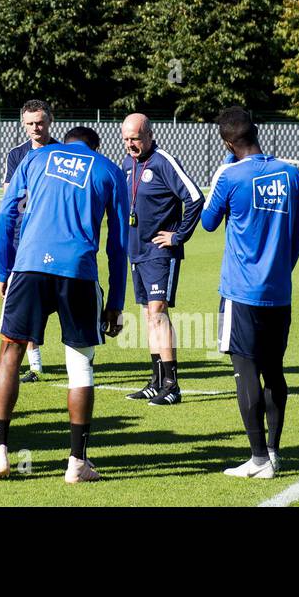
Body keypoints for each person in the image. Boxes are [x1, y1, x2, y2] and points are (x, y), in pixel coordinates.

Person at [0, 127, 127, 484]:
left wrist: (5, 269)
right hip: (77, 270)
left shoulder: (35, 157)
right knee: (80, 365)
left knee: (9, 353)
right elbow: (119, 242)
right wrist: (116, 302)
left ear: (64, 141)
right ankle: (77, 462)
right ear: (95, 147)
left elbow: (6, 218)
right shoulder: (108, 169)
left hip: (28, 266)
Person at [201, 108, 299, 477]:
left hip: (241, 291)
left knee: (244, 370)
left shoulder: (230, 175)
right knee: (274, 370)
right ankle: (273, 452)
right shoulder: (292, 174)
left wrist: (224, 168)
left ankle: (259, 459)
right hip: (279, 289)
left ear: (227, 142)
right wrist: (280, 270)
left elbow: (208, 222)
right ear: (257, 131)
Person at [119, 113, 203, 405]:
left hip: (159, 251)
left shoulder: (164, 161)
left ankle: (172, 384)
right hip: (136, 250)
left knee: (158, 311)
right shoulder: (127, 164)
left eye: (136, 139)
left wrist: (178, 236)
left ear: (150, 135)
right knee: (147, 314)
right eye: (126, 139)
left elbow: (194, 198)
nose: (131, 144)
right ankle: (156, 381)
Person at [3, 99, 56, 382]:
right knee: (27, 301)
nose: (36, 128)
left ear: (50, 121)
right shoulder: (17, 155)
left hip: (52, 236)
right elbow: (11, 198)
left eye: (40, 122)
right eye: (30, 123)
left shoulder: (61, 152)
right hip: (23, 238)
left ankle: (82, 356)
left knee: (57, 298)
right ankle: (34, 364)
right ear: (24, 125)